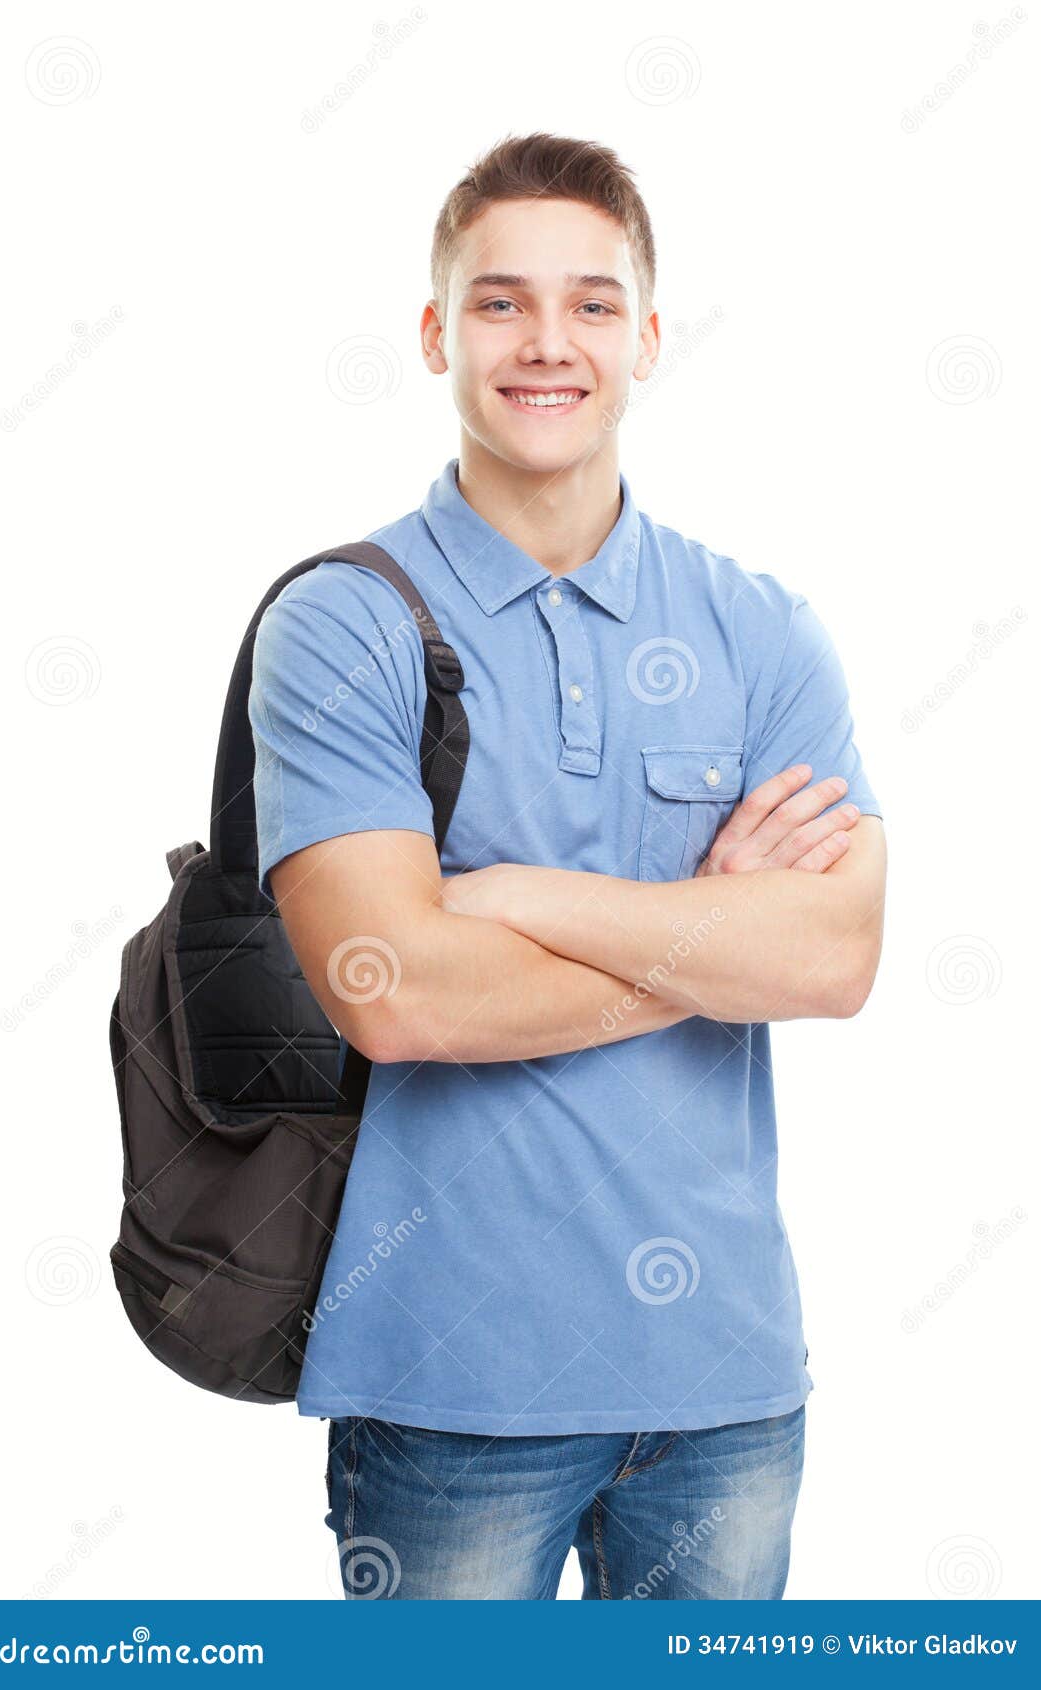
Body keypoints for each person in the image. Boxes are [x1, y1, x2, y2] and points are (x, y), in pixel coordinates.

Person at [248, 132, 886, 1601]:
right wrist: (716, 935)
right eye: (502, 302)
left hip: (726, 1384)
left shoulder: (761, 628)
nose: (549, 342)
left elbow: (837, 959)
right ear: (436, 333)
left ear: (648, 340)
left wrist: (522, 899)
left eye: (594, 304)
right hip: (448, 1386)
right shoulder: (344, 624)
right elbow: (396, 992)